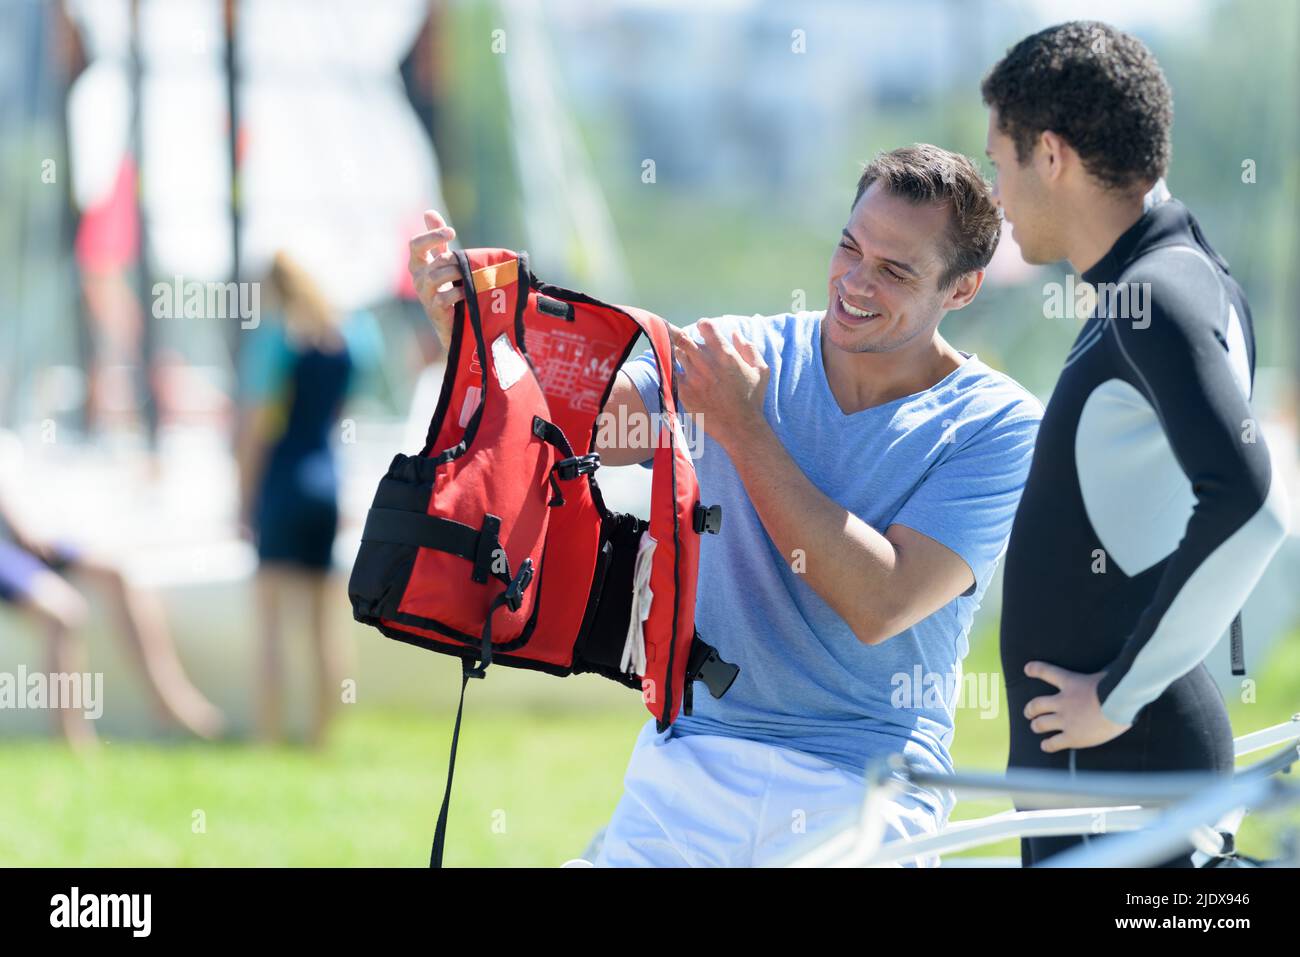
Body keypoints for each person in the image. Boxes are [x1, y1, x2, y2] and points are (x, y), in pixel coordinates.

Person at [408, 143, 1043, 866]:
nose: (855, 280)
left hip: (865, 785)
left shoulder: (999, 424)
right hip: (693, 759)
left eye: (895, 270)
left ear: (961, 291)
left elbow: (881, 600)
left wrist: (742, 424)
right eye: (848, 247)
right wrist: (479, 340)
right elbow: (583, 425)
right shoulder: (740, 352)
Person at [982, 21, 1290, 866]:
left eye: (999, 162)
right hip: (1119, 773)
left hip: (1120, 777)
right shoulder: (1182, 274)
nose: (996, 194)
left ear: (1051, 155)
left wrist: (1117, 697)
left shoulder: (1154, 296)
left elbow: (1254, 506)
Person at [235, 252, 375, 747]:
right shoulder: (348, 341)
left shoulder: (277, 341)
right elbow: (340, 419)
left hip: (283, 481)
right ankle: (323, 737)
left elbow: (256, 428)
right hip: (326, 482)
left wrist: (243, 497)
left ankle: (268, 737)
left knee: (271, 621)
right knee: (325, 623)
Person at [0, 489, 225, 746]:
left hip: (19, 532)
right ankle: (72, 741)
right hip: (10, 538)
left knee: (117, 575)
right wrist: (20, 526)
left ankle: (171, 703)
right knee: (63, 613)